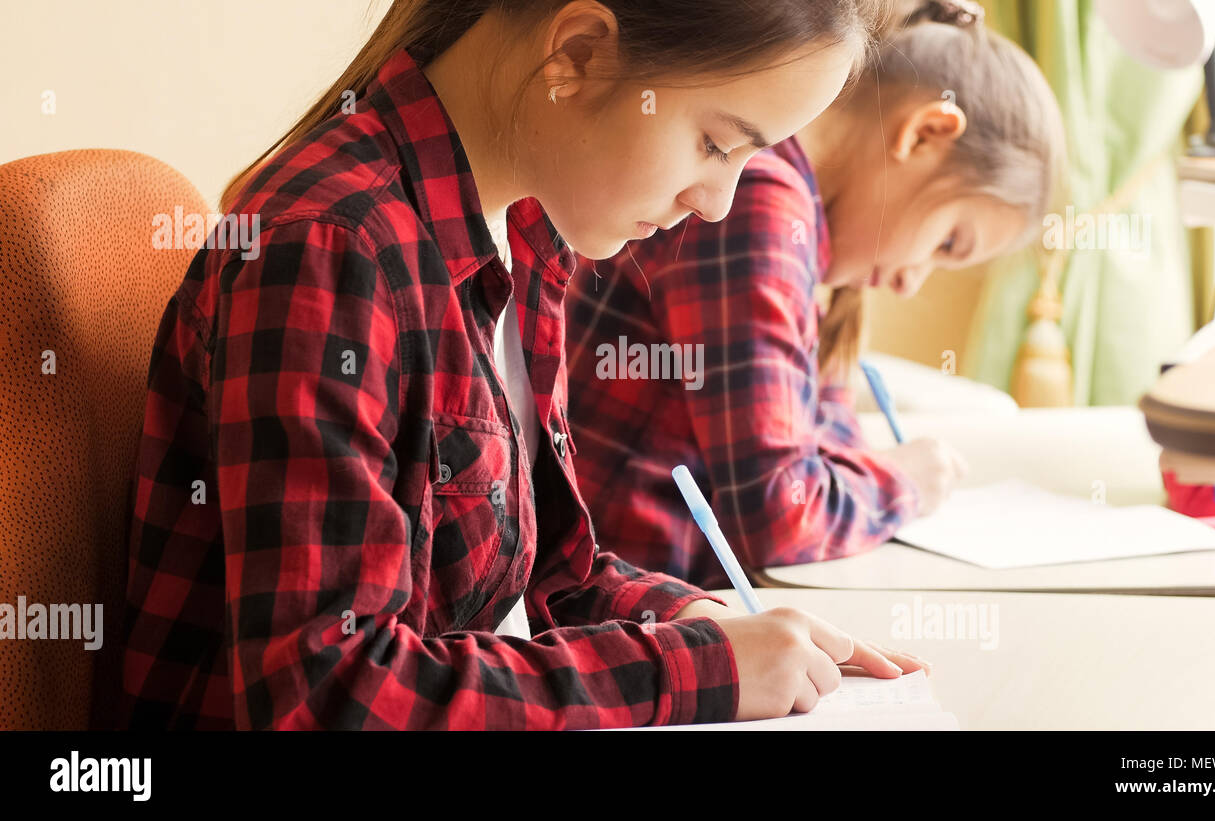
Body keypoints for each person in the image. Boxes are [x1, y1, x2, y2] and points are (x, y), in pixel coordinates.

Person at [120, 0, 930, 731]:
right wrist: (691, 670)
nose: (717, 202)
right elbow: (329, 694)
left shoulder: (531, 232)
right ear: (577, 52)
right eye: (716, 142)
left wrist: (701, 620)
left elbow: (545, 574)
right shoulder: (333, 249)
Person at [565, 0, 1067, 587]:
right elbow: (781, 515)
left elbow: (822, 452)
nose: (910, 283)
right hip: (620, 607)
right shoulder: (758, 202)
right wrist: (904, 482)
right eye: (948, 242)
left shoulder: (800, 223)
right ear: (925, 134)